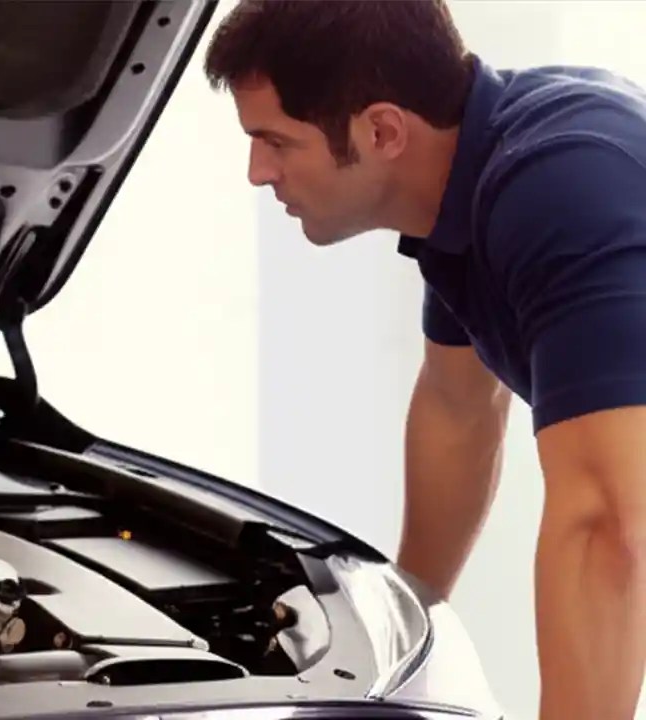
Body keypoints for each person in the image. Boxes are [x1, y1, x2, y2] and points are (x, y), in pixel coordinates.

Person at [203, 1, 646, 718]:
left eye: (276, 142)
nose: (258, 172)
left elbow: (608, 526)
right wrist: (402, 639)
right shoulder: (472, 191)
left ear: (382, 131)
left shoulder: (560, 187)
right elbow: (458, 408)